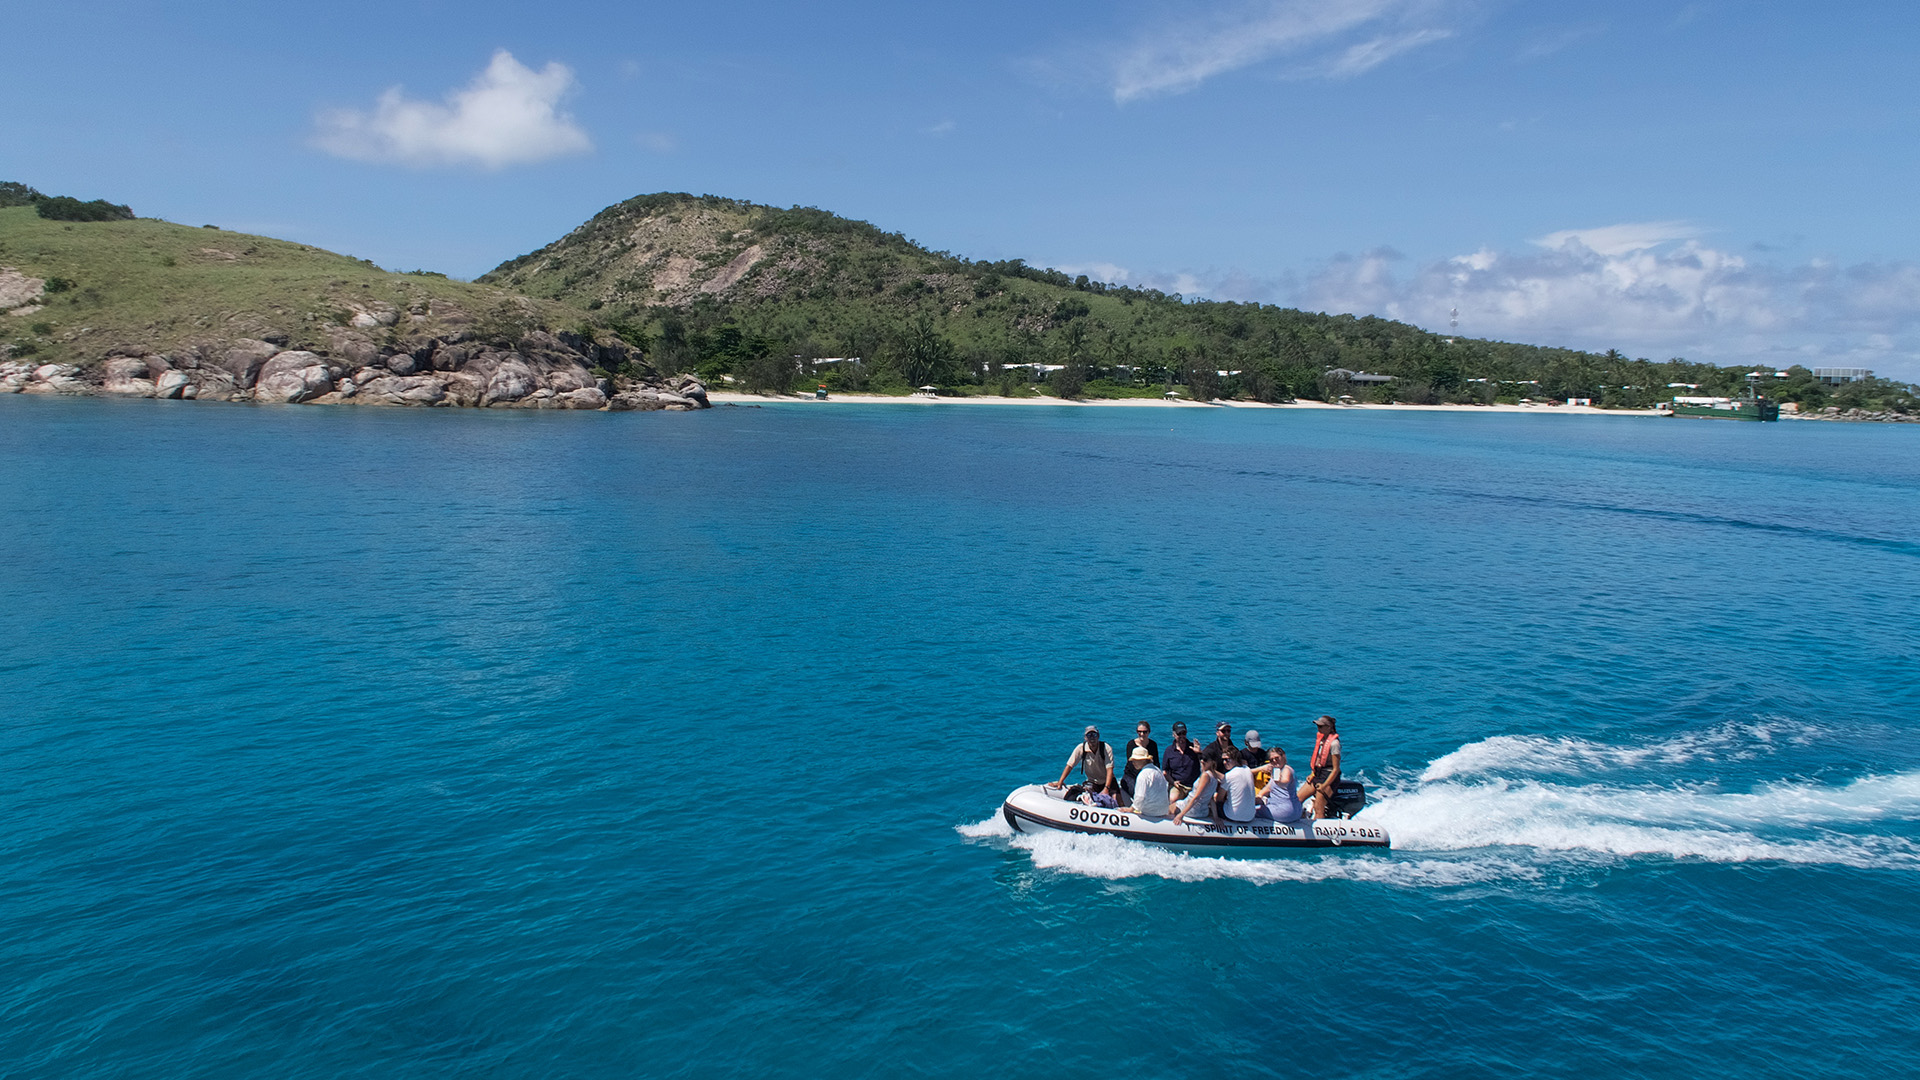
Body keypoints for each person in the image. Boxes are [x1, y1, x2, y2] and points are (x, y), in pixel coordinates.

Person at [1051, 725, 1115, 798]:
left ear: (1098, 736)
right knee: (1086, 797)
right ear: (1085, 737)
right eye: (1089, 735)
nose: (1092, 738)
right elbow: (1069, 766)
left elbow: (1109, 769)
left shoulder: (1106, 748)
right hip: (1092, 782)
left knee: (1117, 799)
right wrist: (1060, 782)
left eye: (1094, 735)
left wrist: (1106, 788)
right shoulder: (1081, 748)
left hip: (1108, 782)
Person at [1297, 714, 1342, 819]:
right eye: (1318, 726)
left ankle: (1319, 831)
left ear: (1329, 727)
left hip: (1329, 776)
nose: (1318, 728)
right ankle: (1301, 821)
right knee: (1297, 799)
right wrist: (1312, 774)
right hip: (1318, 774)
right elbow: (1319, 761)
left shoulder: (1334, 744)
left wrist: (1325, 785)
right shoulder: (1322, 740)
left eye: (1321, 726)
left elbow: (1336, 769)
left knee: (1319, 807)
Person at [1172, 753, 1229, 825]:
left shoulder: (1206, 775)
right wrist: (1216, 817)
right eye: (1201, 758)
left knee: (1171, 807)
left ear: (1212, 762)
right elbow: (1211, 799)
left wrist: (1181, 815)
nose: (1202, 761)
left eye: (1205, 759)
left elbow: (1196, 797)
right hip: (1203, 812)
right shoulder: (1214, 776)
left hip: (1193, 809)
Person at [1261, 746, 1303, 823]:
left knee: (1254, 811)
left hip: (1284, 811)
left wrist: (1279, 782)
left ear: (1283, 756)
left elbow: (1285, 781)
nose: (1274, 761)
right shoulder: (1276, 771)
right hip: (1296, 811)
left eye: (1277, 758)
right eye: (1271, 760)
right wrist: (1259, 796)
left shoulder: (1286, 769)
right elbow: (1268, 787)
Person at [1163, 722, 1203, 803]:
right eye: (1179, 734)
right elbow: (1165, 771)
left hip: (1194, 786)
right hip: (1178, 786)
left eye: (1183, 733)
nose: (1181, 736)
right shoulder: (1169, 751)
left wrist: (1199, 753)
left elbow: (1205, 765)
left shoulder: (1193, 748)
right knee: (1172, 799)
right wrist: (1173, 782)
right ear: (1173, 734)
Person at [1125, 747, 1170, 820]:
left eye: (1135, 760)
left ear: (1144, 760)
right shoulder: (1157, 770)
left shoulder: (1143, 775)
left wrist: (1130, 809)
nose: (1133, 763)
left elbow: (1140, 797)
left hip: (1150, 813)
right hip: (1163, 811)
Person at [1121, 721, 1160, 798]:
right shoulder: (1131, 744)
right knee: (1137, 793)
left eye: (1144, 732)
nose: (1142, 734)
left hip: (1148, 775)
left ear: (1149, 732)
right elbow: (1131, 764)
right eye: (1139, 732)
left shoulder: (1153, 745)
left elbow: (1156, 763)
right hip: (1132, 775)